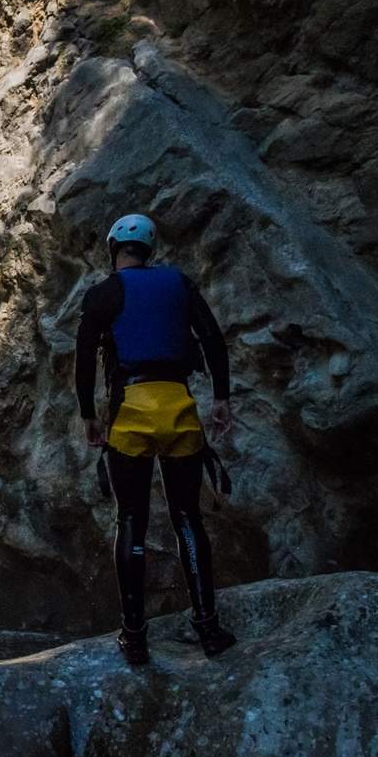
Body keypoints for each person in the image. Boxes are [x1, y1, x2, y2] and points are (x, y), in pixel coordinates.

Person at [74, 213, 237, 665]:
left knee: (131, 520)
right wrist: (221, 400)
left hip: (131, 412)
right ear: (150, 249)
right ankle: (207, 627)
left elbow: (85, 360)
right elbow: (212, 340)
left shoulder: (103, 293)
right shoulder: (179, 283)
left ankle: (134, 636)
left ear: (113, 248)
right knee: (188, 518)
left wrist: (89, 415)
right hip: (179, 407)